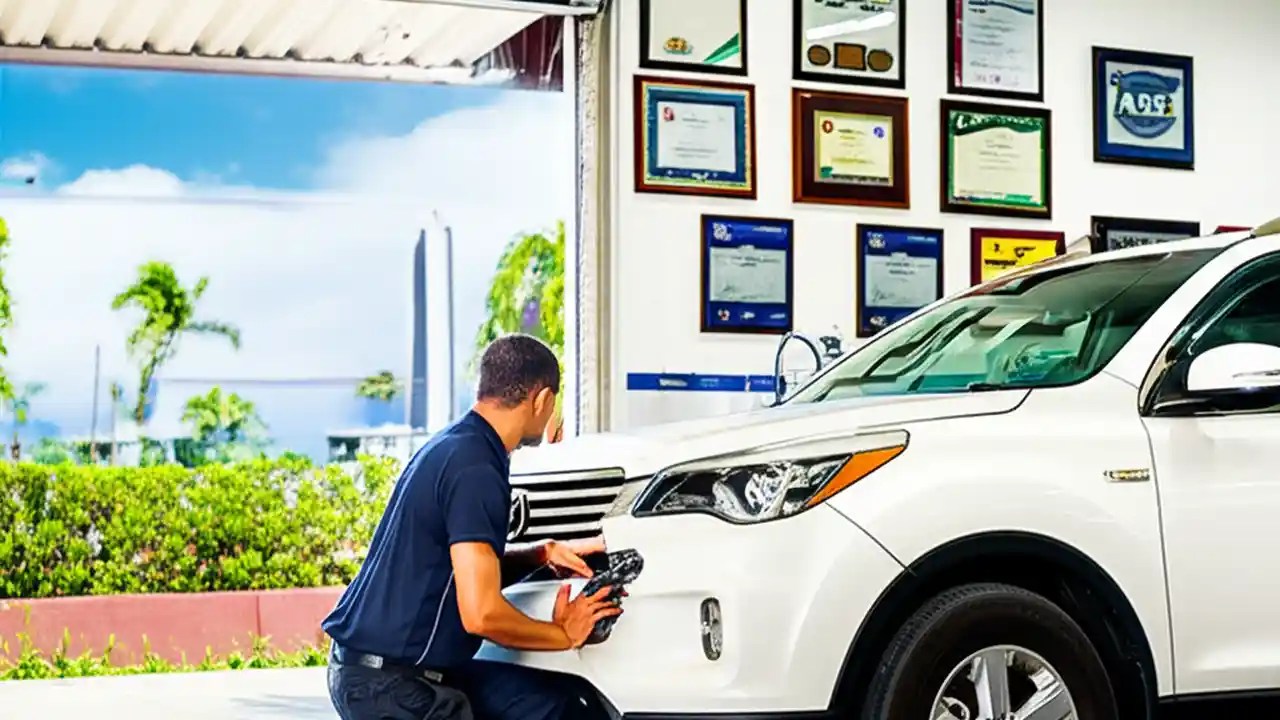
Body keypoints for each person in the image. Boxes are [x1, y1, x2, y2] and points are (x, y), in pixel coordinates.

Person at [323, 333, 622, 720]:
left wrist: (542, 554)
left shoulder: (457, 445)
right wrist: (564, 635)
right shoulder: (475, 467)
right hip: (392, 689)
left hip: (384, 672)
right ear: (543, 400)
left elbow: (453, 570)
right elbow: (481, 613)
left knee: (559, 704)